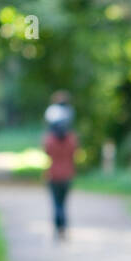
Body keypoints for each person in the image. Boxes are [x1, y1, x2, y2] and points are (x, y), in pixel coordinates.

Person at [41, 92, 78, 241]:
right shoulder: (72, 139)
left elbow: (47, 152)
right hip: (67, 174)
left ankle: (59, 228)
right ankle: (63, 228)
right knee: (63, 203)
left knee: (56, 204)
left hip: (54, 174)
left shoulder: (50, 140)